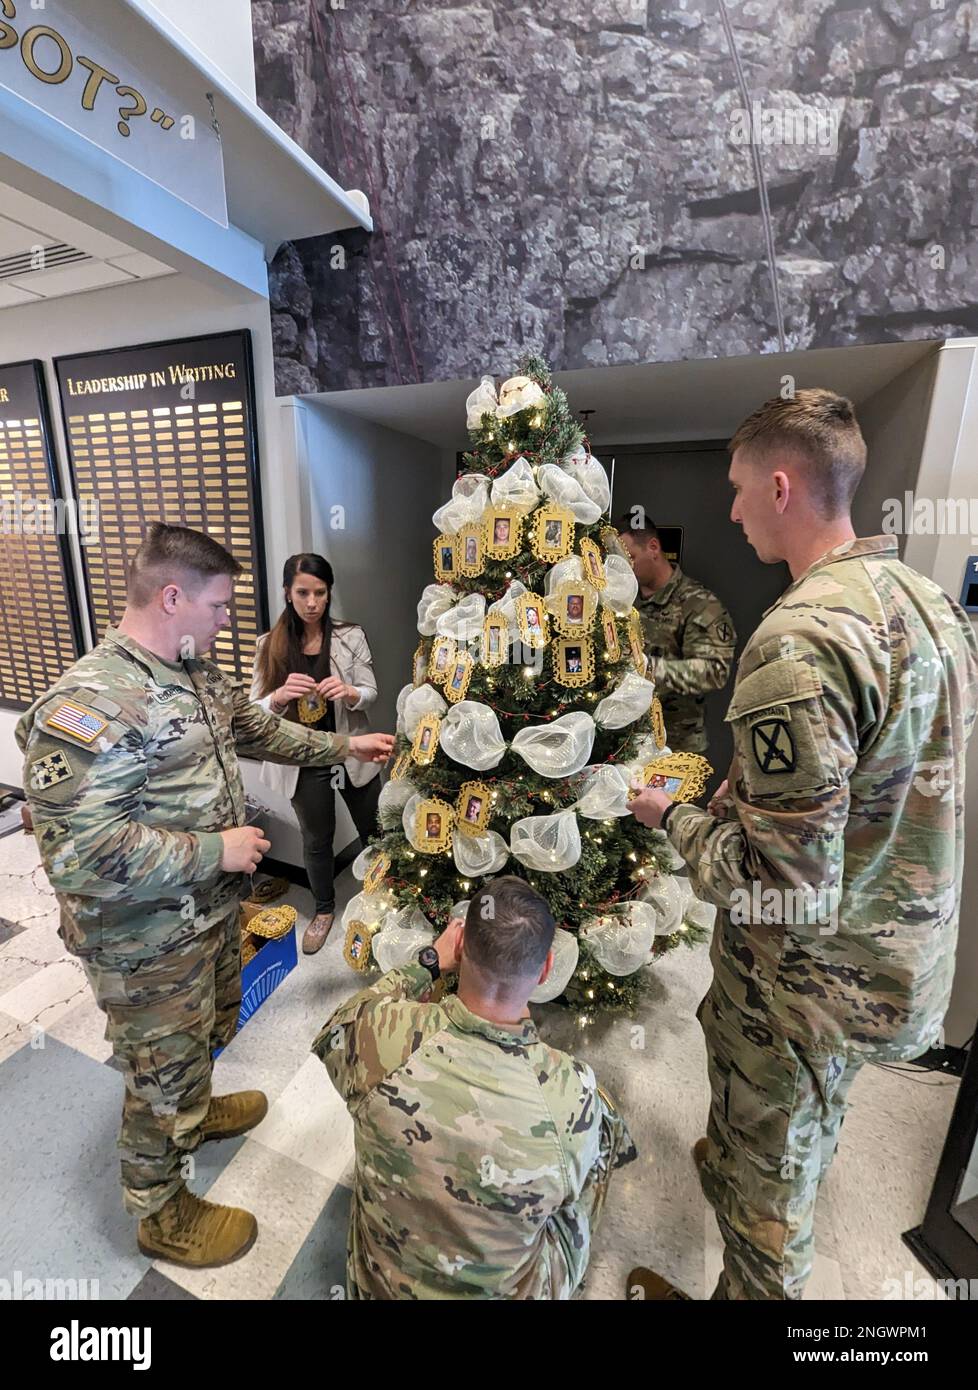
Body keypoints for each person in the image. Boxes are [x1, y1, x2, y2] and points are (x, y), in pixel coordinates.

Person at [629, 390, 978, 1301]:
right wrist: (747, 791)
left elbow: (777, 883)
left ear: (783, 487)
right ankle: (753, 1164)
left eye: (741, 490)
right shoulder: (929, 602)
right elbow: (888, 776)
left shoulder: (798, 640)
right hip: (894, 960)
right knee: (803, 1123)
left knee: (765, 1211)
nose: (732, 510)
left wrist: (671, 820)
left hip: (807, 981)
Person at [16, 524, 394, 1269]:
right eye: (219, 606)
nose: (229, 621)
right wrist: (213, 850)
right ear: (172, 596)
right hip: (144, 939)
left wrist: (343, 746)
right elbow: (78, 853)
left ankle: (196, 1109)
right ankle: (162, 1211)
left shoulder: (194, 672)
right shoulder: (93, 700)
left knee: (202, 1035)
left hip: (208, 914)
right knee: (160, 1073)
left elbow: (258, 729)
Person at [313, 875, 636, 1299]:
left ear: (460, 947)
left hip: (380, 1288)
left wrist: (429, 961)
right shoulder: (573, 1092)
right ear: (545, 971)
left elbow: (337, 1025)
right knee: (601, 1138)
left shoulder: (383, 1035)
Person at [252, 553, 382, 956]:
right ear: (288, 594)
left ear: (329, 594)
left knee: (375, 832)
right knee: (316, 840)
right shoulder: (268, 646)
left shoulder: (349, 636)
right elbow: (251, 710)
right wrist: (276, 697)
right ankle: (324, 909)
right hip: (303, 759)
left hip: (351, 751)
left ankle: (385, 900)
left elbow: (371, 691)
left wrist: (350, 693)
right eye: (303, 593)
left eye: (320, 593)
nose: (312, 602)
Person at [617, 515, 736, 755]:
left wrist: (646, 668)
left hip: (675, 745)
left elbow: (713, 671)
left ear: (653, 548)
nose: (625, 568)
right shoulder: (622, 601)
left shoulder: (698, 604)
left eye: (630, 558)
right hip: (624, 741)